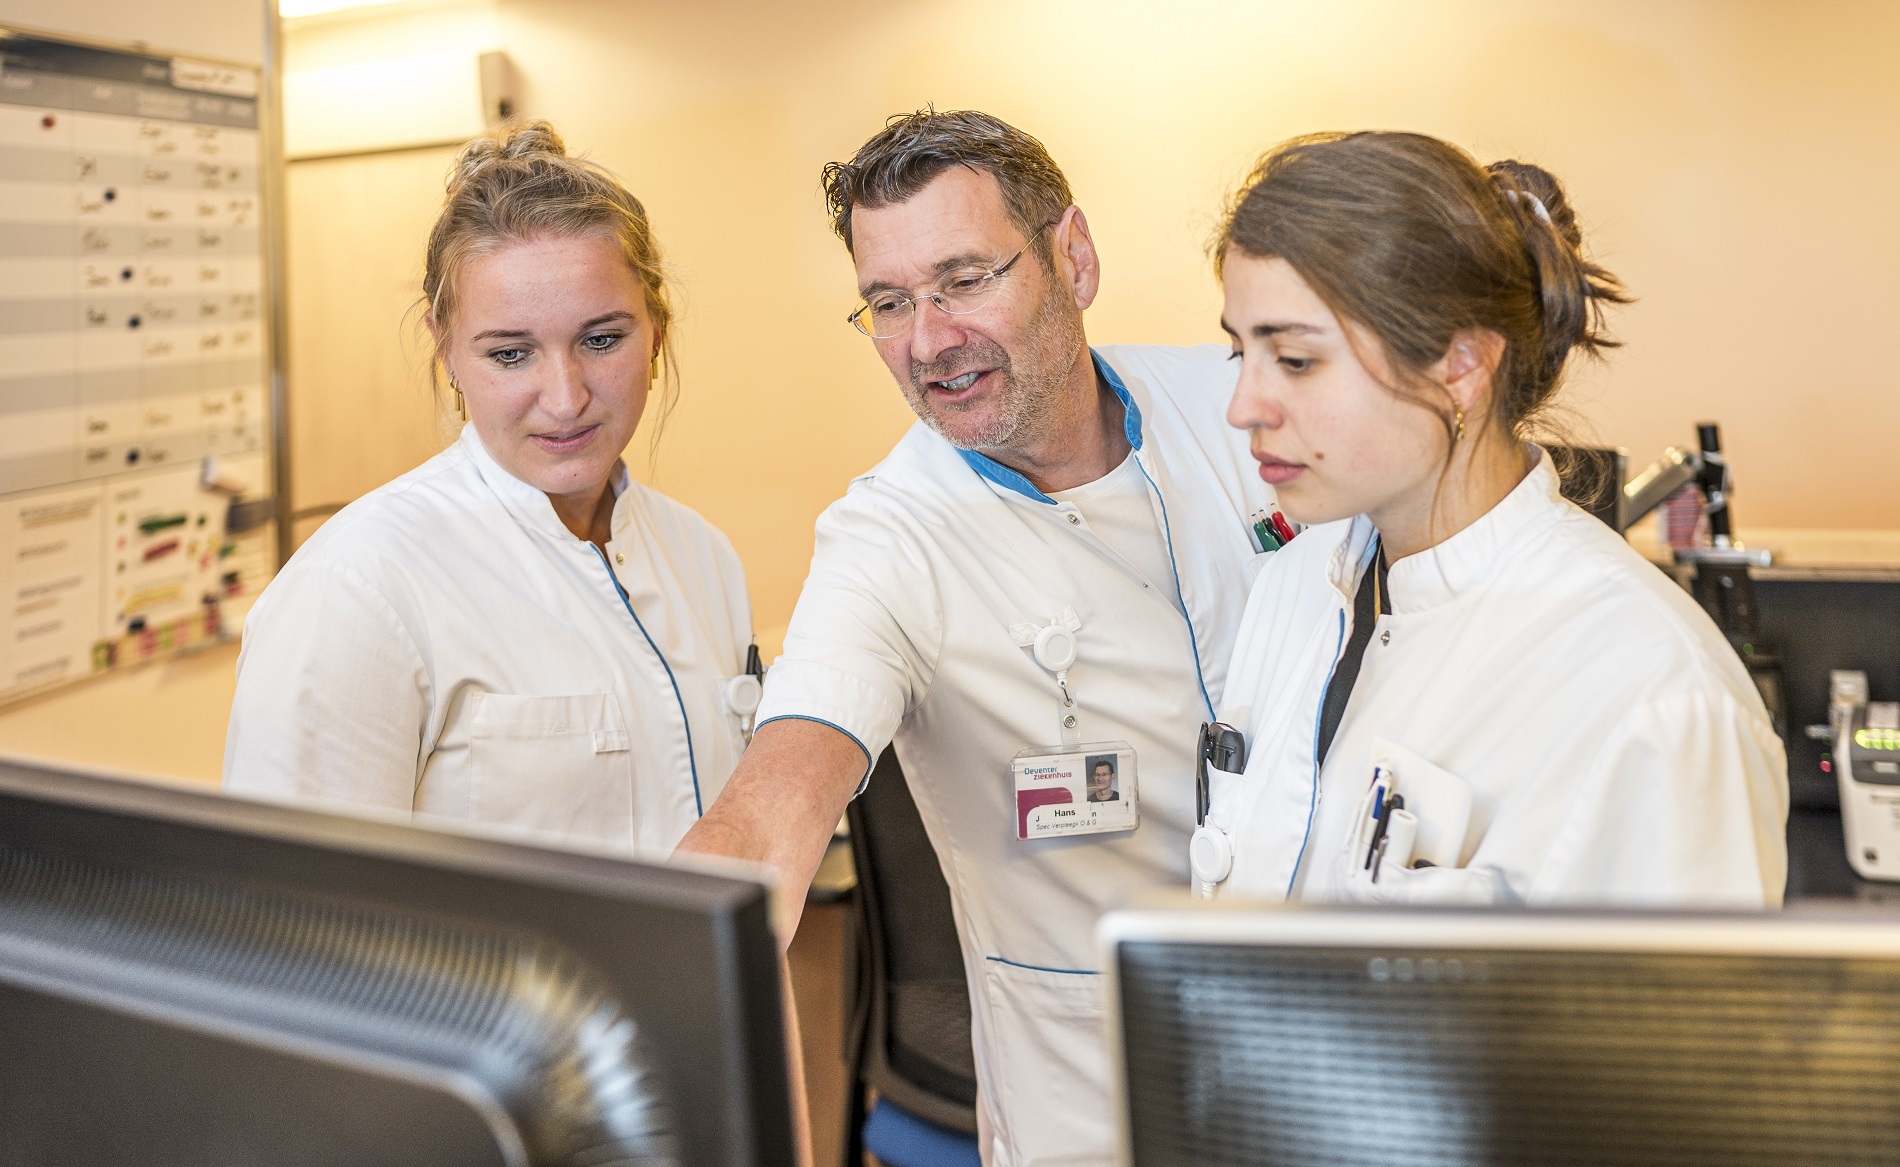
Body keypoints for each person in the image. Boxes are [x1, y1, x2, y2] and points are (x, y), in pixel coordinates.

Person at [677, 110, 1274, 1165]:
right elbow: (780, 792)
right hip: (1092, 1112)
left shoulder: (1238, 409)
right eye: (889, 302)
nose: (926, 339)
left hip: (1317, 1060)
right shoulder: (885, 537)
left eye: (964, 279)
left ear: (1071, 258)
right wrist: (674, 959)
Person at [1196, 130, 1787, 907]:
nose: (1243, 408)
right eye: (1242, 353)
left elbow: (1691, 1028)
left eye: (1297, 360)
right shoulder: (1298, 585)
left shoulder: (1658, 698)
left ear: (1461, 365)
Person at [224, 122, 756, 857]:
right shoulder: (355, 588)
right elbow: (292, 925)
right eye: (511, 354)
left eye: (602, 340)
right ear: (446, 350)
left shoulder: (703, 556)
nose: (565, 397)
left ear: (657, 332)